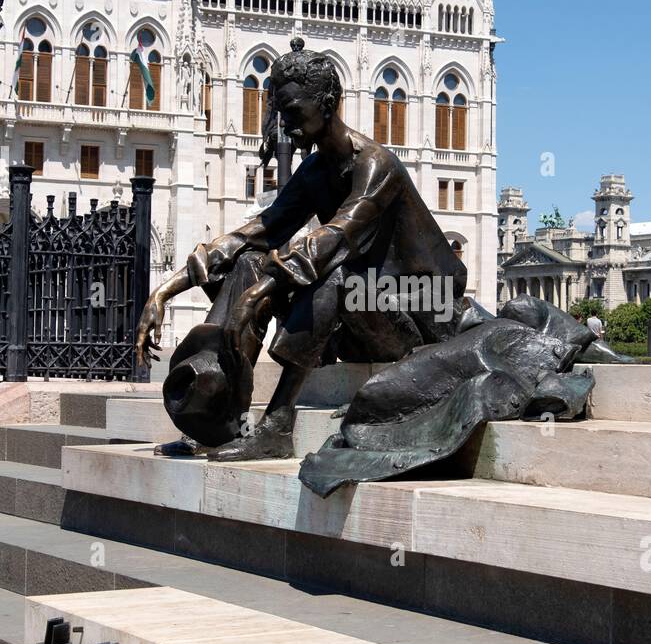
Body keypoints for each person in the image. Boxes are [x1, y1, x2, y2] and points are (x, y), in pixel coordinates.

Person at [135, 38, 472, 460]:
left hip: (422, 318)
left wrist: (266, 290)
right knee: (250, 263)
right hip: (362, 315)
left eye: (293, 112)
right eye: (279, 113)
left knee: (334, 274)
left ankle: (277, 426)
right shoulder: (316, 169)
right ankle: (224, 416)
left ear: (328, 103)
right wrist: (165, 291)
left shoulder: (375, 164)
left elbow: (336, 237)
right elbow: (260, 230)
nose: (284, 126)